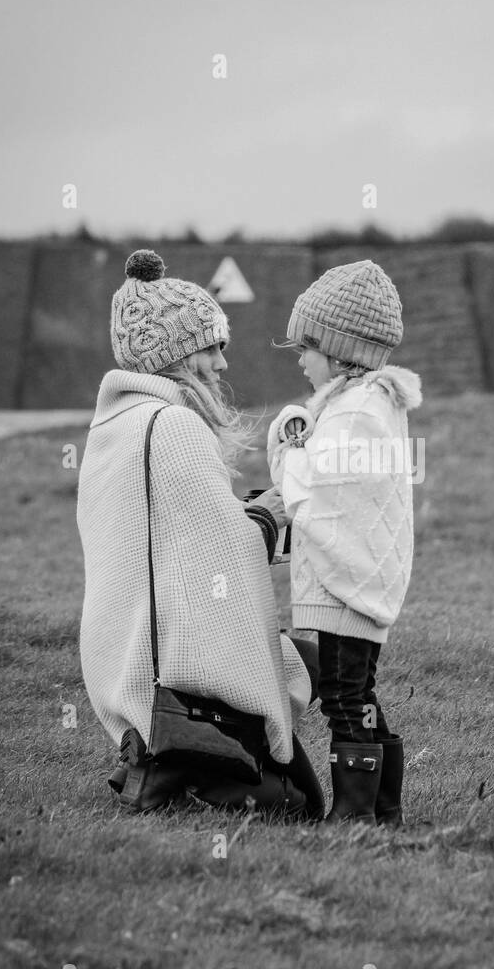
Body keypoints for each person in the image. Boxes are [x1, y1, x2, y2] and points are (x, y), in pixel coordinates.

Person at [76, 248, 324, 817]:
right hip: (171, 686)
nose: (222, 362)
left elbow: (176, 541)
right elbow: (218, 560)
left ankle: (158, 767)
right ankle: (192, 767)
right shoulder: (174, 426)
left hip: (123, 669)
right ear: (179, 354)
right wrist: (271, 516)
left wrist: (248, 513)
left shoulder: (116, 424)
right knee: (301, 797)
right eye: (212, 346)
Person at [267, 259, 422, 826]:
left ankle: (355, 817)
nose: (301, 360)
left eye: (305, 347)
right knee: (359, 695)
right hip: (358, 580)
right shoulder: (364, 403)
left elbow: (312, 489)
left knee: (343, 700)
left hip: (345, 586)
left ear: (338, 349)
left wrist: (285, 441)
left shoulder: (355, 411)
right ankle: (383, 809)